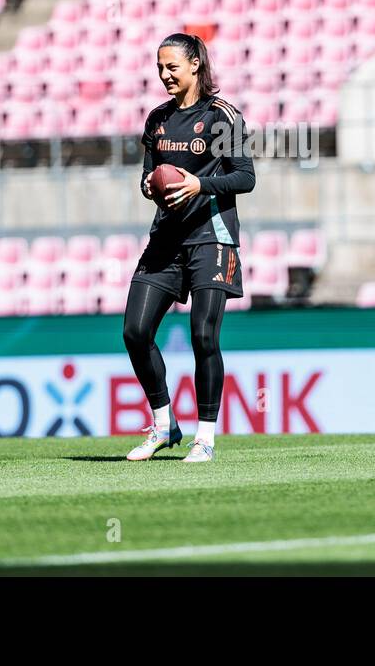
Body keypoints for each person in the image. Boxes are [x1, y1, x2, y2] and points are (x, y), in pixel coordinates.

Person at [123, 33, 255, 463]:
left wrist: (201, 184)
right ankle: (164, 424)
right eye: (160, 68)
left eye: (172, 67)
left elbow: (244, 177)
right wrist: (149, 185)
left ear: (195, 65)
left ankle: (206, 438)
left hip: (210, 236)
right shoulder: (157, 119)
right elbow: (150, 177)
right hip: (166, 237)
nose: (164, 75)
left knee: (203, 336)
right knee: (135, 331)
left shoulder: (222, 117)